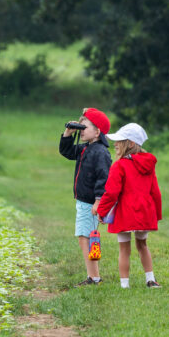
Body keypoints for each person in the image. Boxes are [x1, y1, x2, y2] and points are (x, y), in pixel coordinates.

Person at [96, 123, 163, 289]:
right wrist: (156, 214)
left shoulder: (119, 165)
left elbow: (111, 193)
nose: (115, 143)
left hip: (125, 213)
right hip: (144, 211)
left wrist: (102, 211)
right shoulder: (149, 164)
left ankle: (125, 284)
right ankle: (150, 279)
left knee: (124, 249)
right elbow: (155, 191)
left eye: (119, 140)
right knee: (143, 245)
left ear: (131, 143)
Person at [59, 107, 112, 286]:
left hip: (90, 203)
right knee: (86, 237)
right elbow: (66, 152)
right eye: (79, 128)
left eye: (85, 127)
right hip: (83, 202)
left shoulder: (100, 152)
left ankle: (93, 277)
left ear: (97, 132)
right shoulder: (86, 149)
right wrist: (68, 133)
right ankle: (93, 276)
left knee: (86, 238)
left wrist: (98, 201)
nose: (81, 131)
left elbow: (103, 179)